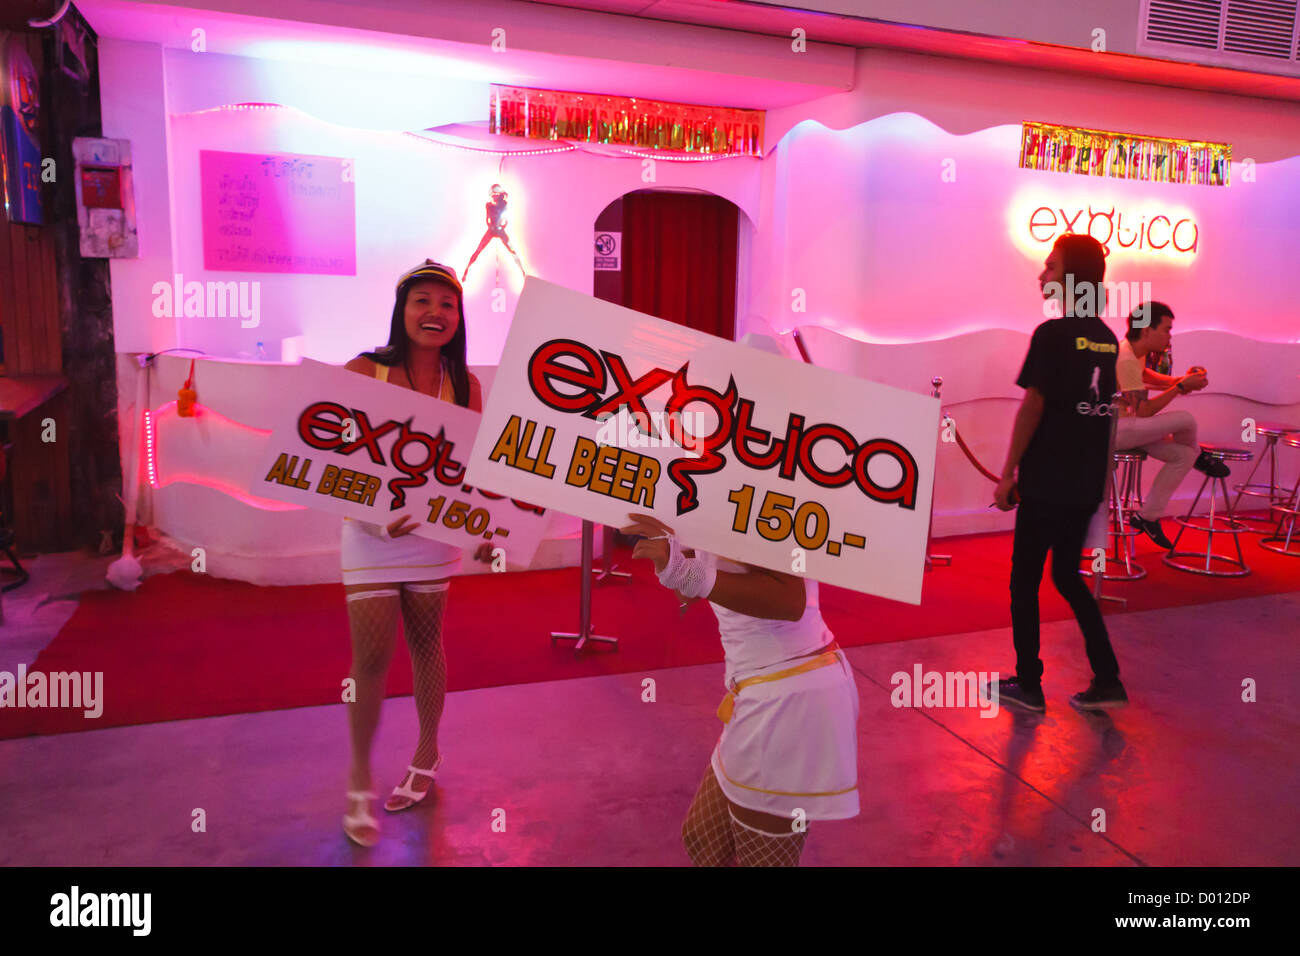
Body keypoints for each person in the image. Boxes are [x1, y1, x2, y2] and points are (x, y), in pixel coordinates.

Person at [340, 260, 489, 847]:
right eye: (422, 301)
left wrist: (454, 516)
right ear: (402, 311)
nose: (435, 313)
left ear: (459, 316)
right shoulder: (364, 370)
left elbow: (468, 470)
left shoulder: (465, 384)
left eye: (447, 304)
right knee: (370, 658)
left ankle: (427, 754)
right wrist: (377, 514)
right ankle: (358, 777)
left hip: (432, 536)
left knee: (428, 643)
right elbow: (327, 458)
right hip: (370, 535)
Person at [620, 512, 860, 867]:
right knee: (704, 839)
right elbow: (697, 589)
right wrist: (671, 562)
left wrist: (687, 572)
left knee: (760, 860)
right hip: (763, 689)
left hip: (790, 698)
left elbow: (790, 600)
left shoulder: (752, 491)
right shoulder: (713, 489)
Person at [990, 234, 1127, 713]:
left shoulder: (1051, 336)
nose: (1042, 275)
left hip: (1046, 482)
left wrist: (1007, 474)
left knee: (1023, 581)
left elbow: (1033, 407)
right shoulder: (1107, 339)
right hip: (1083, 484)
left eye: (1050, 266)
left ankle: (1028, 684)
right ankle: (1107, 677)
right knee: (1067, 576)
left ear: (1071, 278)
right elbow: (1107, 413)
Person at [1116, 301, 1227, 550]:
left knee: (1183, 453)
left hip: (1132, 428)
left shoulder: (1134, 351)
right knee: (1186, 419)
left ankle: (1147, 516)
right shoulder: (1124, 357)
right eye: (1166, 329)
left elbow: (1144, 376)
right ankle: (1202, 458)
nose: (1170, 335)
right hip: (1116, 432)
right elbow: (1143, 411)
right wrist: (1179, 387)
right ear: (1147, 330)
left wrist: (1182, 380)